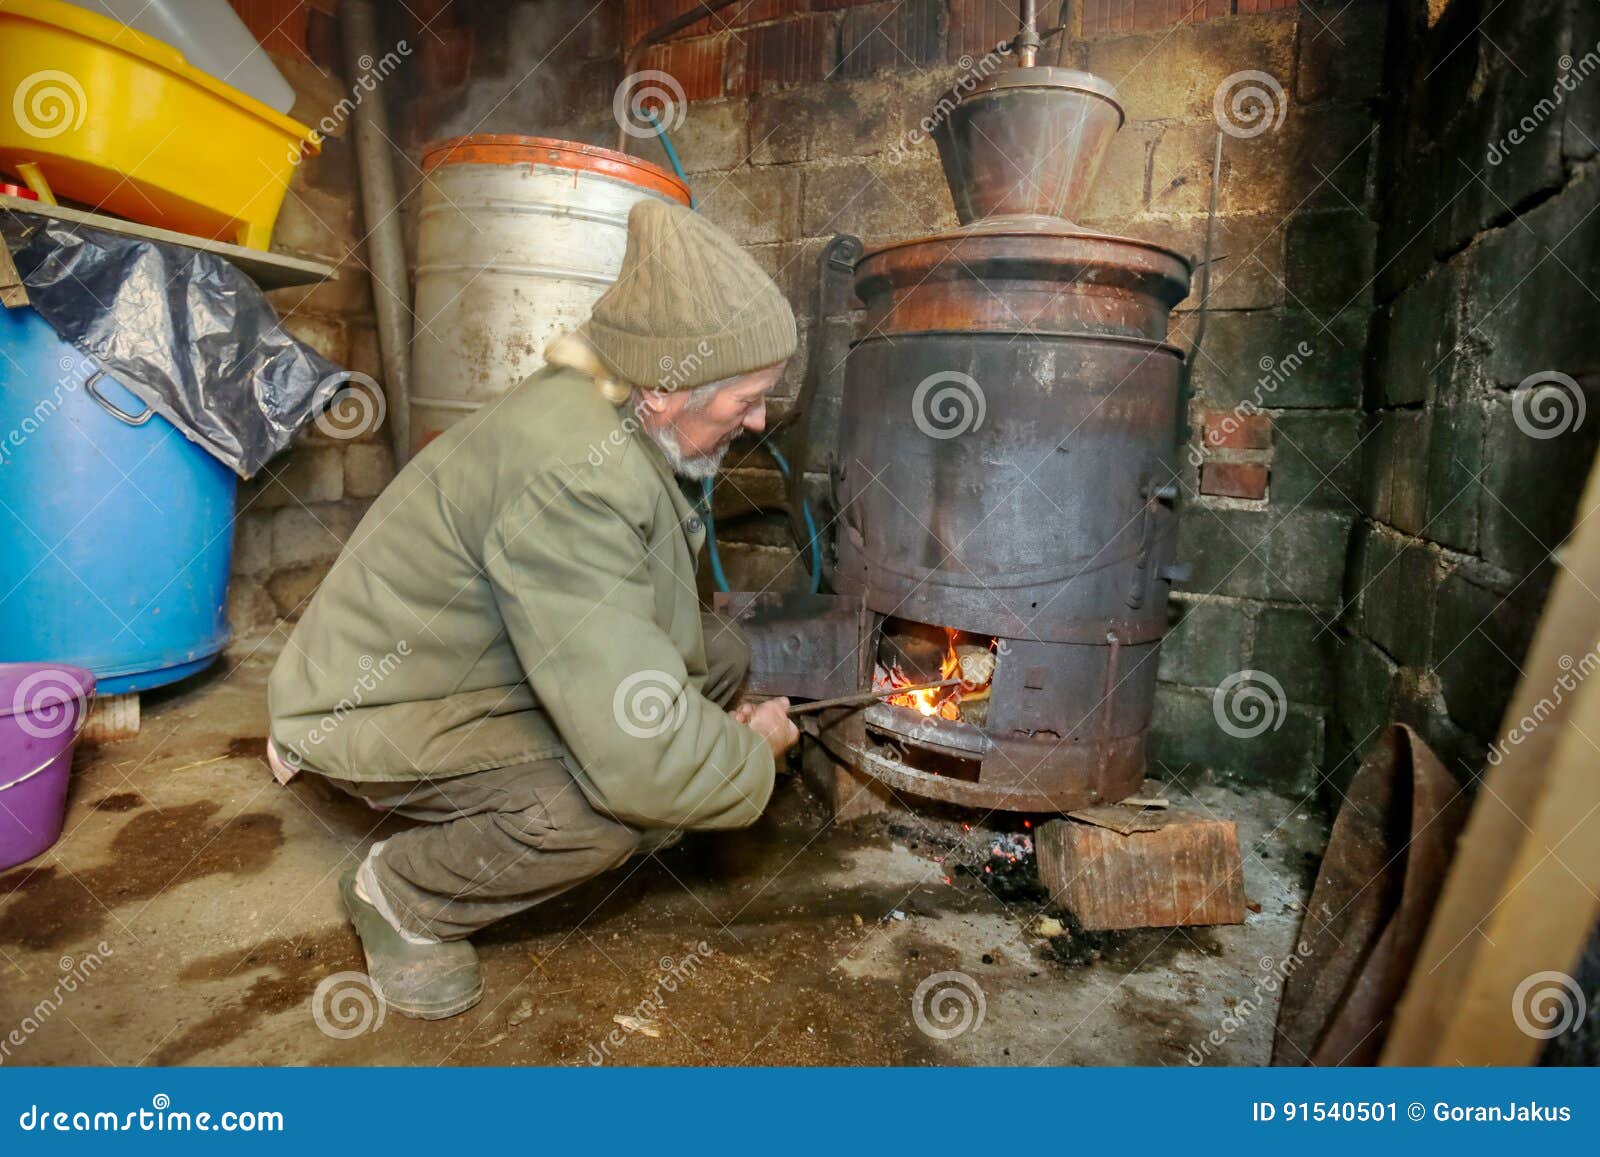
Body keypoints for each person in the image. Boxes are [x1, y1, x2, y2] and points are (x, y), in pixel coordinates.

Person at [267, 198, 801, 1019]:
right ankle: (403, 894)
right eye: (746, 402)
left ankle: (668, 769)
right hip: (376, 698)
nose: (760, 420)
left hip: (463, 656)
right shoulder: (575, 473)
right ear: (666, 389)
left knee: (719, 655)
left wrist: (698, 734)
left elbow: (638, 597)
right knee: (597, 813)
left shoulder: (614, 403)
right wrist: (749, 760)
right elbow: (642, 754)